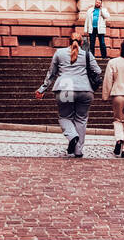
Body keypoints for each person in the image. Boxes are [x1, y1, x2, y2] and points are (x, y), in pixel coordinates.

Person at [35, 30, 102, 158]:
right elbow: (97, 70)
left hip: (65, 87)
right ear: (82, 43)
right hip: (84, 89)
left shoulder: (59, 53)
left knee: (65, 117)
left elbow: (51, 73)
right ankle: (78, 151)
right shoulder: (87, 54)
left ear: (68, 41)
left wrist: (42, 89)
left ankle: (72, 136)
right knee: (81, 119)